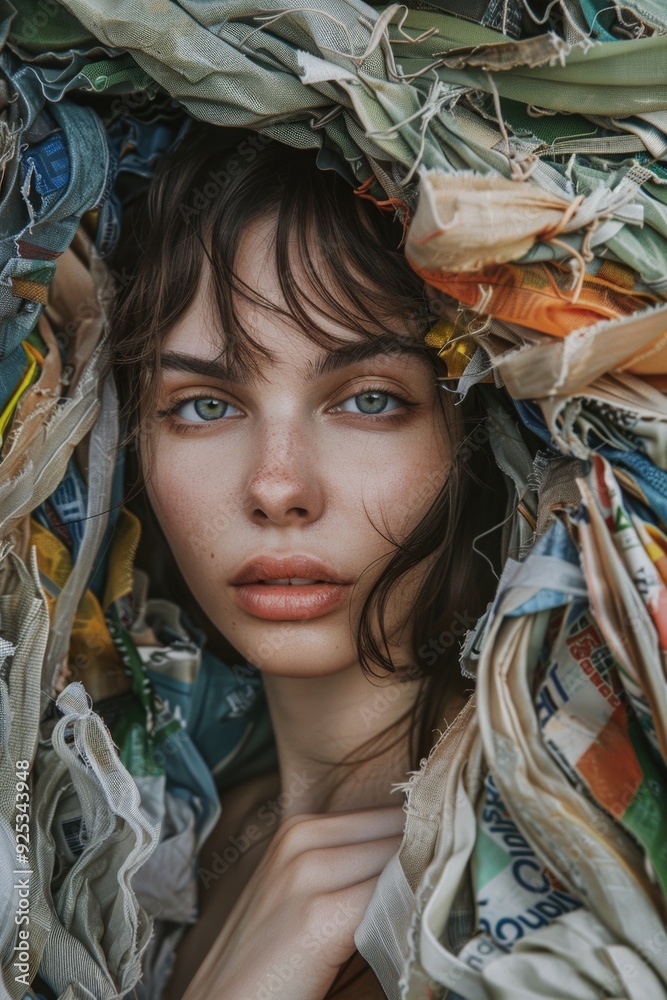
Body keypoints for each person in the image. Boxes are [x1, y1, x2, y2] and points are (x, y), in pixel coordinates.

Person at [107, 122, 503, 1000]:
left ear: (475, 430)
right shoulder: (176, 842)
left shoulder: (511, 880)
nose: (277, 486)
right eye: (204, 405)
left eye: (368, 399)